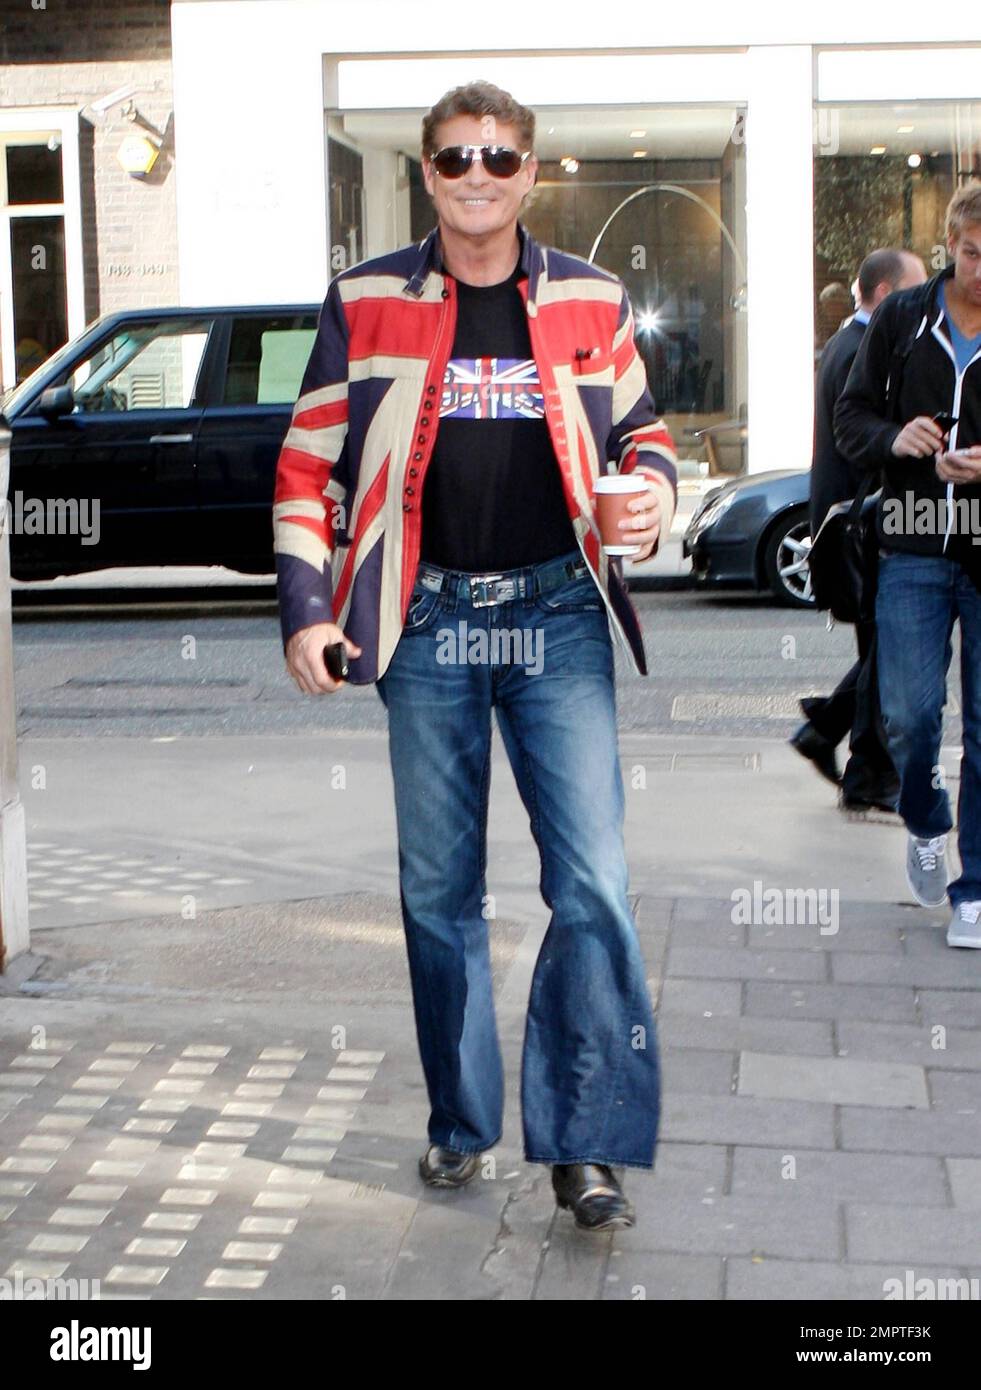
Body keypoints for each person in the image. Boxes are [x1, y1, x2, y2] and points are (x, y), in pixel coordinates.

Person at [273, 80, 678, 1226]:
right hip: (427, 622)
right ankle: (460, 1121)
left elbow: (644, 436)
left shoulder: (590, 299)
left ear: (531, 172)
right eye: (455, 158)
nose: (478, 175)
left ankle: (586, 1142)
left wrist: (646, 493)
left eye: (499, 156)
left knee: (595, 883)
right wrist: (310, 604)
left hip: (557, 616)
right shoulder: (365, 302)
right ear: (428, 173)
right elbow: (309, 464)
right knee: (439, 893)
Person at [835, 182, 981, 950]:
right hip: (912, 543)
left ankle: (975, 889)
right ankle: (926, 818)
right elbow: (849, 418)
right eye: (970, 254)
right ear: (950, 245)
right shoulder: (900, 318)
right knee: (909, 716)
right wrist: (895, 440)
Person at [791, 248, 926, 813]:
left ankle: (828, 729)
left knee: (884, 648)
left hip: (858, 519)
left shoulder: (849, 342)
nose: (923, 302)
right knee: (889, 647)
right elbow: (862, 439)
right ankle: (867, 773)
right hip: (866, 523)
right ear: (884, 293)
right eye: (914, 290)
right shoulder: (863, 350)